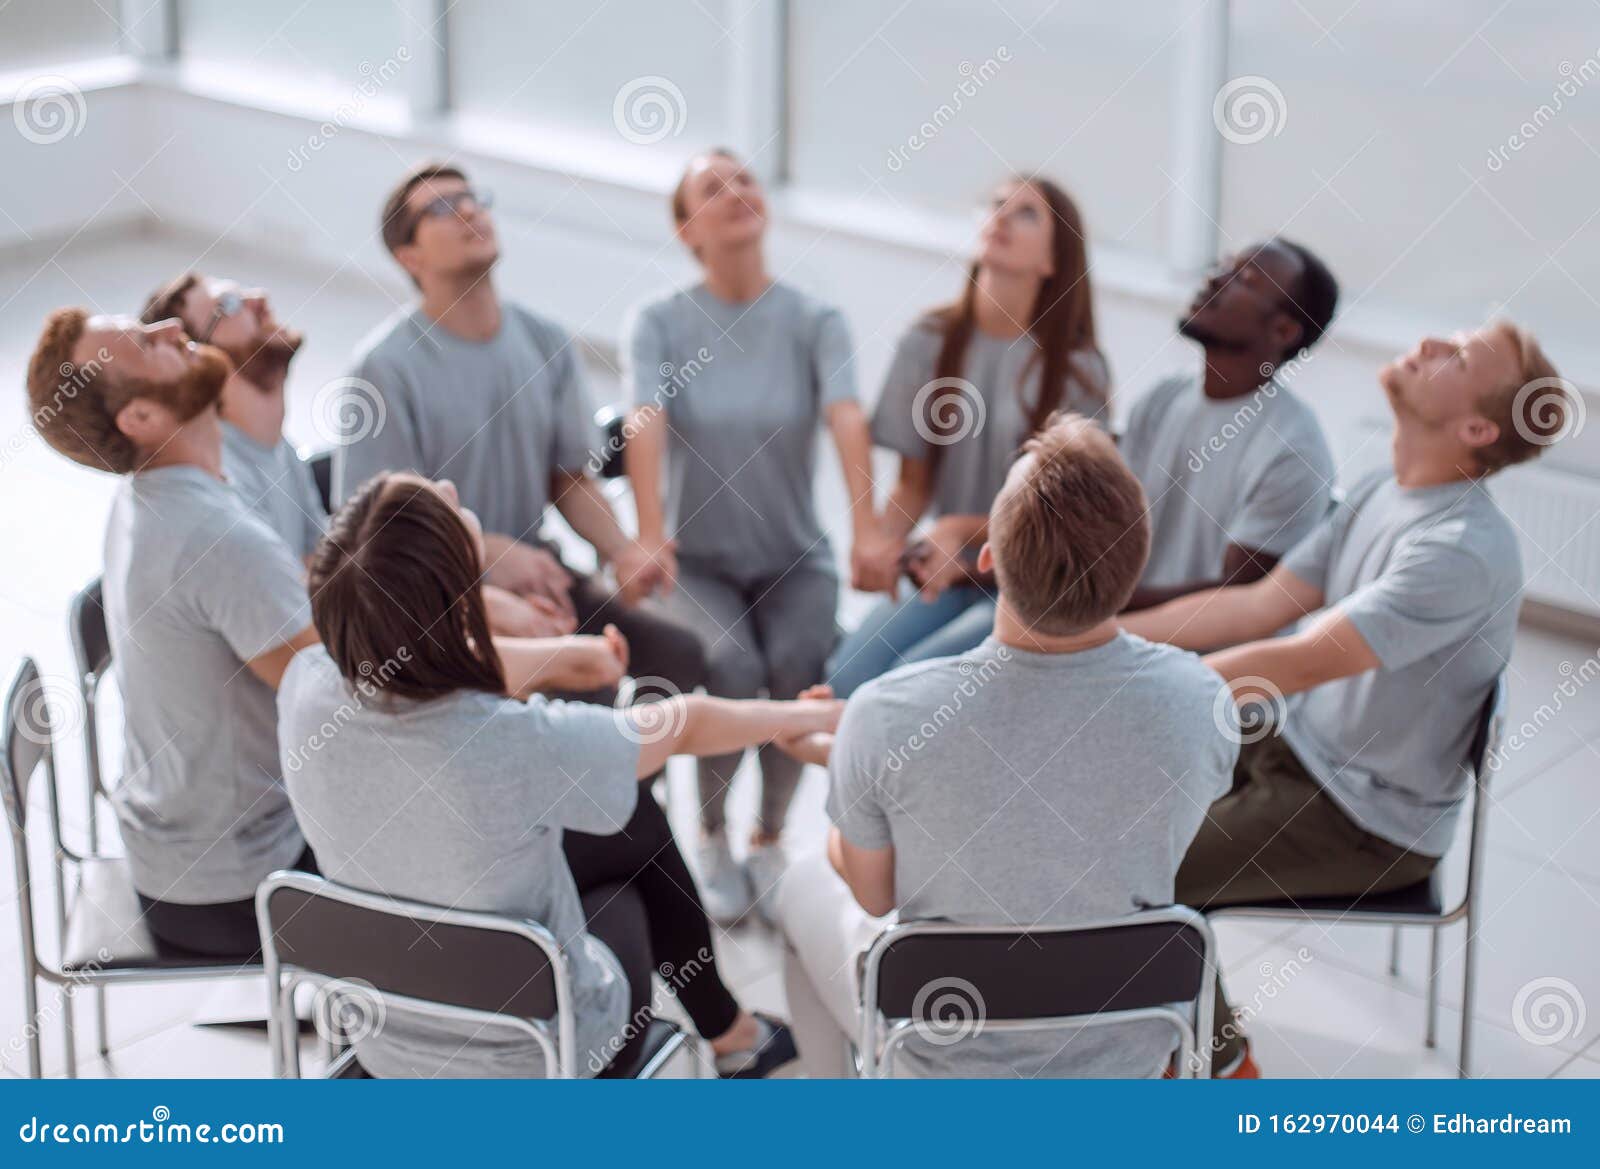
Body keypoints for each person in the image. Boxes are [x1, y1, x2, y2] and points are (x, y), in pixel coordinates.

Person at [279, 471, 842, 1077]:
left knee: (603, 828)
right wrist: (795, 715)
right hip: (542, 1059)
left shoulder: (306, 686)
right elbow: (680, 724)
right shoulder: (514, 744)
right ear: (462, 594)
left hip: (386, 1045)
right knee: (633, 839)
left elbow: (426, 664)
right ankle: (731, 1036)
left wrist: (570, 658)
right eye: (442, 502)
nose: (449, 484)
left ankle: (731, 1033)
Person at [1123, 321, 1570, 1076]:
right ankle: (1131, 1027)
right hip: (1299, 747)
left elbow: (1300, 660)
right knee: (1117, 787)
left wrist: (1114, 676)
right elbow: (1256, 607)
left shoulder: (1458, 548)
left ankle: (1226, 1070)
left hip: (1363, 819)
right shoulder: (1380, 489)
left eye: (1457, 356)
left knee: (1143, 872)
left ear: (1476, 428)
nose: (1430, 342)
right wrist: (1101, 634)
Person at [776, 415, 1236, 1077]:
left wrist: (847, 786)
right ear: (1134, 572)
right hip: (1121, 1061)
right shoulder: (1202, 702)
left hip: (943, 1061)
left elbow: (874, 896)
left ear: (987, 560)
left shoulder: (884, 715)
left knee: (801, 882)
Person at [622, 149, 881, 923]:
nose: (737, 192)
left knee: (800, 671)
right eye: (713, 186)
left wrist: (868, 525)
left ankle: (767, 835)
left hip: (794, 558)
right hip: (698, 562)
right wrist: (646, 533)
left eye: (745, 180)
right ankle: (707, 830)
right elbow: (646, 421)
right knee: (731, 667)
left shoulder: (813, 320)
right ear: (685, 228)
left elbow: (847, 418)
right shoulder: (661, 322)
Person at [335, 161, 706, 684]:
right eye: (441, 208)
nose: (467, 211)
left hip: (538, 577)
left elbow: (569, 481)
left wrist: (623, 552)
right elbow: (378, 531)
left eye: (473, 199)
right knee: (582, 693)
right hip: (444, 596)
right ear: (409, 256)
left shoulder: (546, 340)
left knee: (676, 657)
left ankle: (621, 765)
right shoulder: (382, 368)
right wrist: (487, 551)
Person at [25, 309, 319, 956]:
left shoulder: (147, 497)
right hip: (239, 889)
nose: (168, 326)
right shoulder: (213, 537)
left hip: (175, 858)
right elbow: (337, 699)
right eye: (143, 343)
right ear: (142, 418)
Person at [826, 175, 1110, 697]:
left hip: (1029, 587)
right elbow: (913, 484)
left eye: (1026, 213)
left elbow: (1070, 513)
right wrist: (881, 545)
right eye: (997, 204)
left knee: (905, 688)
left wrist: (958, 527)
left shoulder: (1077, 370)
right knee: (846, 679)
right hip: (951, 571)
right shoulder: (929, 342)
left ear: (1053, 260)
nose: (1001, 216)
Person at [1119, 240, 1339, 611]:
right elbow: (1106, 525)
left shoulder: (1295, 451)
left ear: (1283, 331)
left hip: (1196, 660)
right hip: (1107, 632)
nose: (1216, 279)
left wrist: (1092, 610)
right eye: (1225, 267)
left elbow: (1232, 601)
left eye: (1245, 279)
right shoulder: (1163, 398)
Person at [139, 273, 327, 561]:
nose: (260, 297)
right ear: (200, 358)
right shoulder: (225, 483)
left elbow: (320, 558)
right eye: (227, 304)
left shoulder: (278, 445)